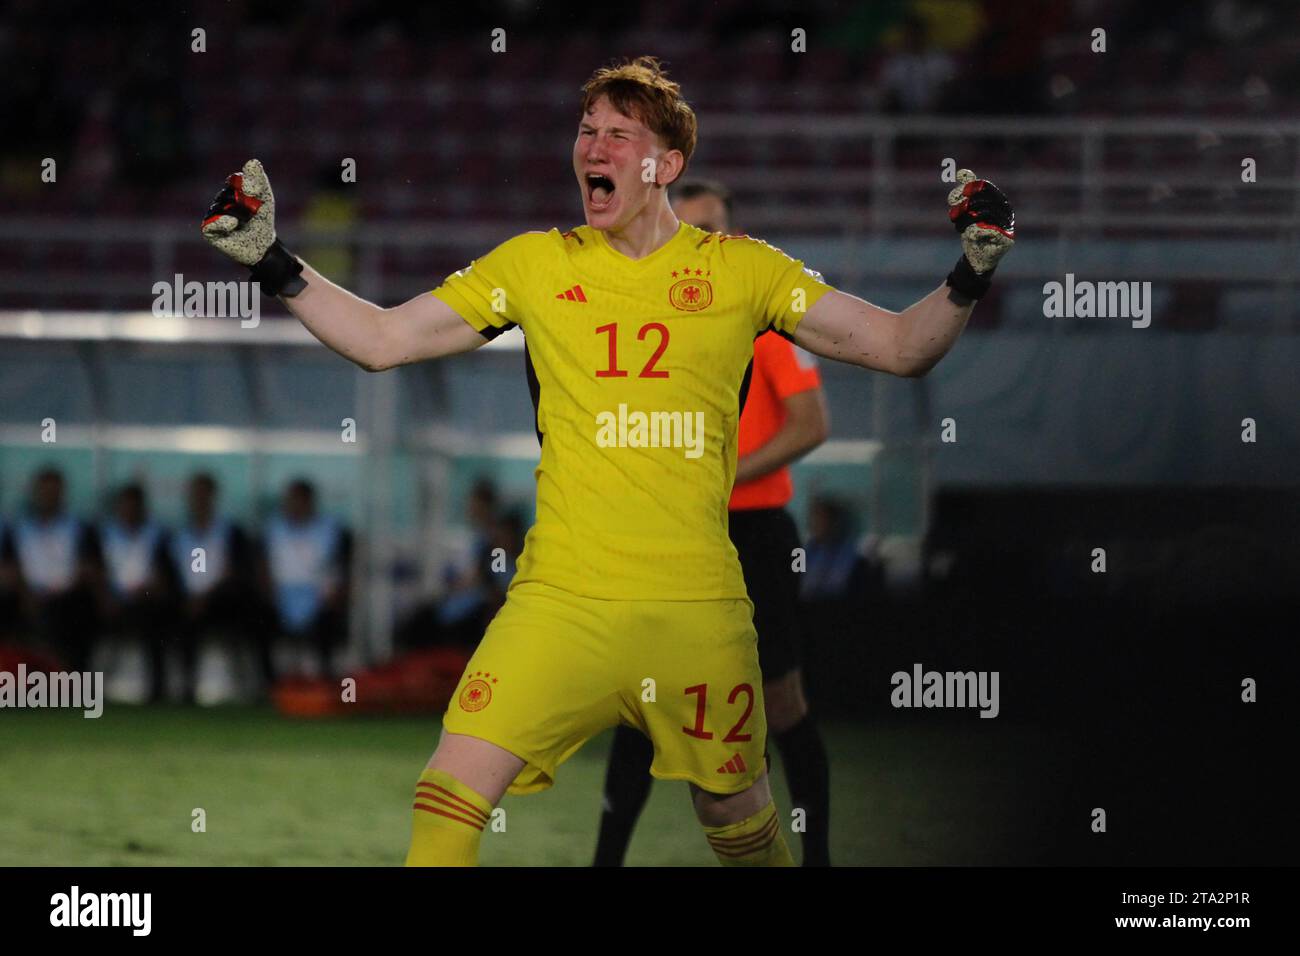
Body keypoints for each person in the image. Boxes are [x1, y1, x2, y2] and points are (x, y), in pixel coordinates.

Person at [200, 56, 1015, 867]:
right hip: (560, 602)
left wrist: (970, 270)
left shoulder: (744, 270)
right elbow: (382, 341)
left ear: (666, 165)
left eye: (620, 135)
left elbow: (903, 348)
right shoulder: (533, 265)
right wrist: (273, 261)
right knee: (446, 794)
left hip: (695, 609)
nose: (596, 147)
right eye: (587, 131)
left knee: (740, 820)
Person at [592, 179, 834, 865]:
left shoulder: (762, 316)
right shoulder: (653, 326)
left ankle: (817, 860)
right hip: (673, 536)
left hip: (754, 532)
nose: (714, 241)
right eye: (698, 228)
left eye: (720, 226)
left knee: (781, 703)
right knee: (643, 703)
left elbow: (812, 423)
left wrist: (718, 477)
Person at [0, 468, 102, 671]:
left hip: (69, 597)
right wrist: (26, 593)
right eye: (45, 491)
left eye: (54, 492)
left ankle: (73, 678)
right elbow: (9, 569)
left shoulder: (80, 528)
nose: (49, 497)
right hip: (27, 597)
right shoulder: (19, 528)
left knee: (79, 607)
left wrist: (63, 589)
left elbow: (90, 568)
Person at [170, 472, 260, 701]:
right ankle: (182, 690)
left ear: (213, 496)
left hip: (222, 601)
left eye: (203, 493)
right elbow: (170, 572)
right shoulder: (179, 534)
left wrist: (206, 597)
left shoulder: (230, 532)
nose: (199, 499)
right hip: (187, 602)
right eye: (195, 494)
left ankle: (254, 690)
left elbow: (237, 572)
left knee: (247, 615)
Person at [260, 479, 350, 680]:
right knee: (259, 620)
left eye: (297, 500)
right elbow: (265, 565)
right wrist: (269, 592)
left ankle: (325, 682)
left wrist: (333, 593)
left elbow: (336, 567)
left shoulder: (329, 529)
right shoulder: (274, 529)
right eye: (289, 500)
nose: (292, 505)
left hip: (319, 598)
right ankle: (271, 686)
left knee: (328, 621)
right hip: (281, 597)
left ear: (309, 501)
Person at [98, 482, 175, 702]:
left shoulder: (158, 535)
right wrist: (106, 597)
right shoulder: (105, 534)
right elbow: (94, 570)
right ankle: (78, 689)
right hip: (111, 601)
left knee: (156, 618)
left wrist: (147, 591)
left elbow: (163, 575)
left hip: (146, 601)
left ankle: (158, 691)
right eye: (126, 506)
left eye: (134, 506)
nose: (130, 511)